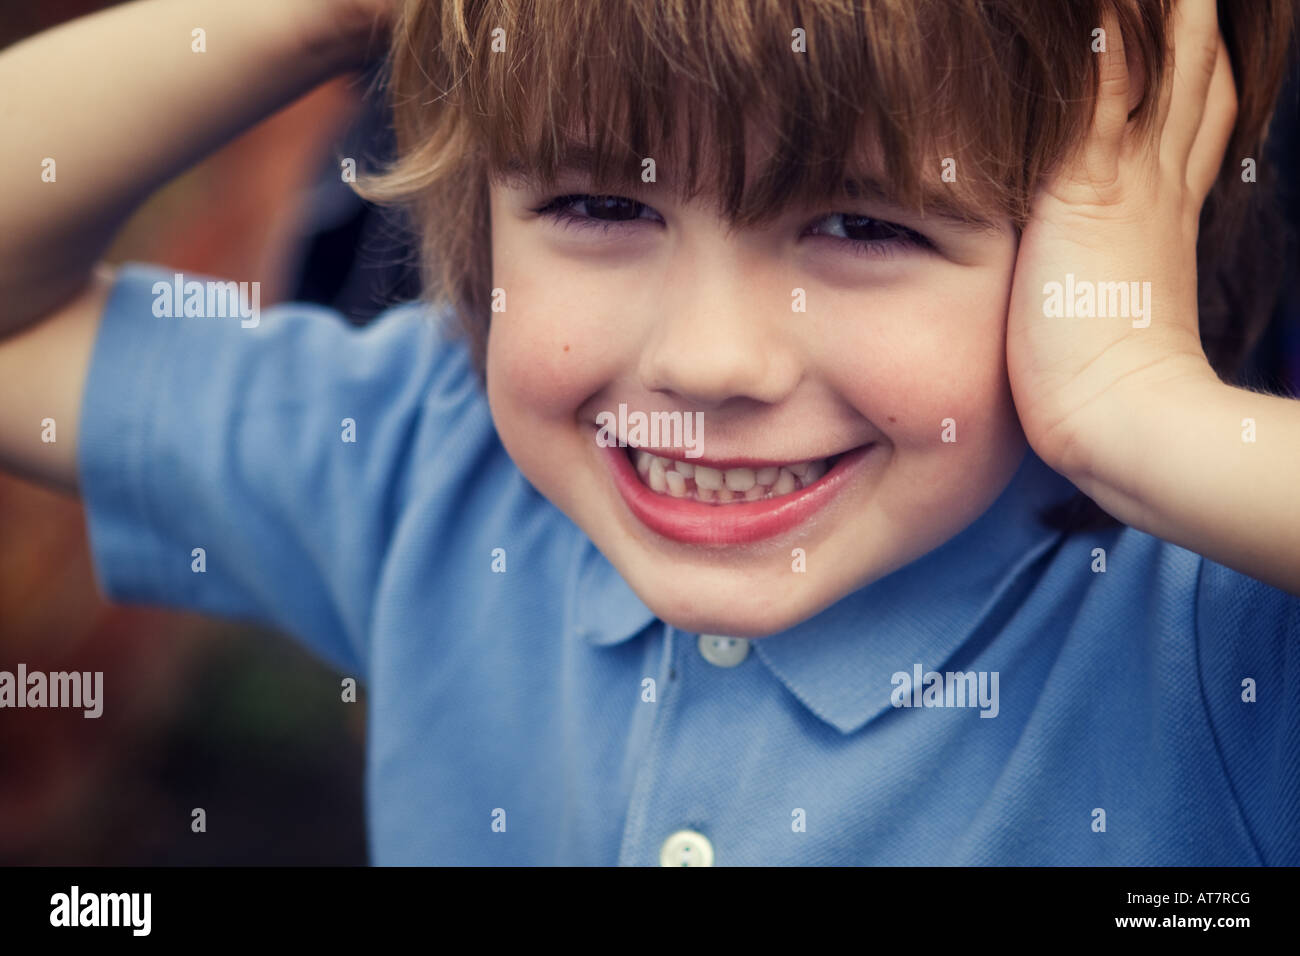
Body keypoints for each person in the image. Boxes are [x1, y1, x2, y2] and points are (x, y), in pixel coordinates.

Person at [0, 0, 1296, 865]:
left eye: (864, 227)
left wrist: (1134, 410)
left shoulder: (1214, 630)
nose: (708, 360)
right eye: (599, 203)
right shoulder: (427, 469)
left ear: (1103, 250)